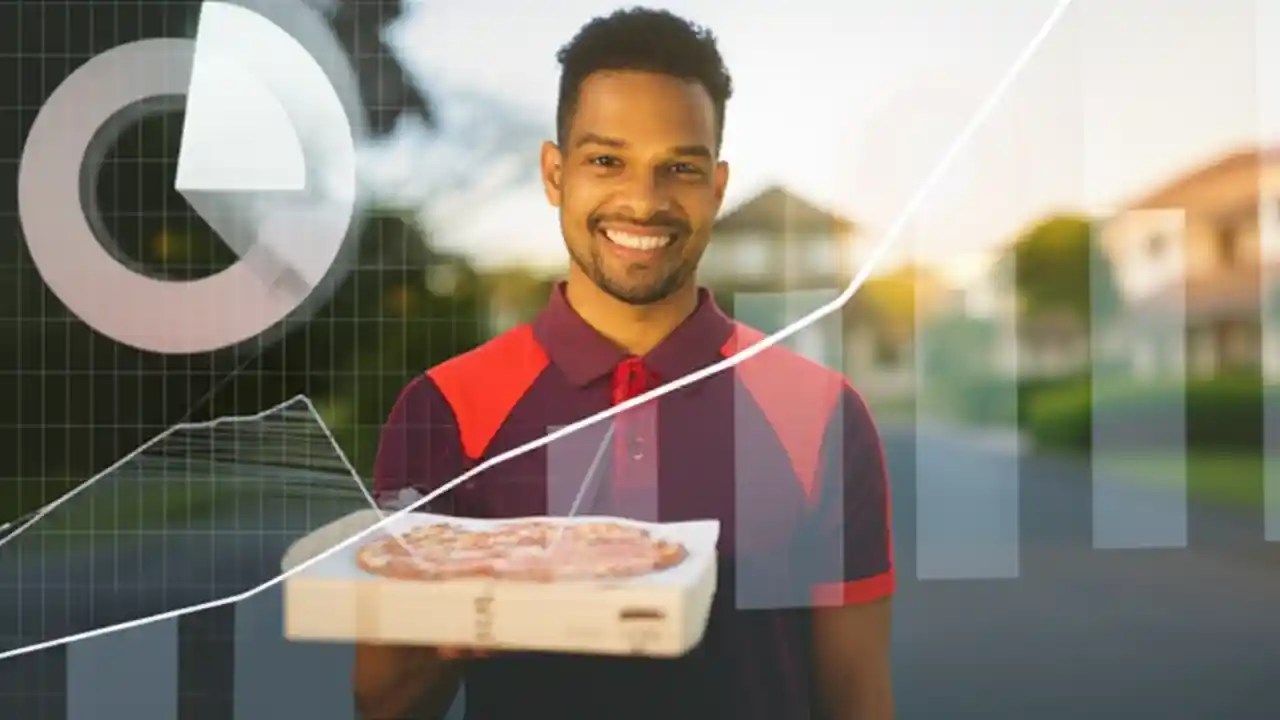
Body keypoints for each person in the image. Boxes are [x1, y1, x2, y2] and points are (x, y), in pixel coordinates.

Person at [353, 7, 895, 719]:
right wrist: (458, 628)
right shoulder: (446, 408)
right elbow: (383, 700)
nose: (644, 201)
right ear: (555, 173)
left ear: (717, 188)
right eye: (607, 161)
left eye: (680, 168)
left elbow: (857, 695)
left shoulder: (820, 413)